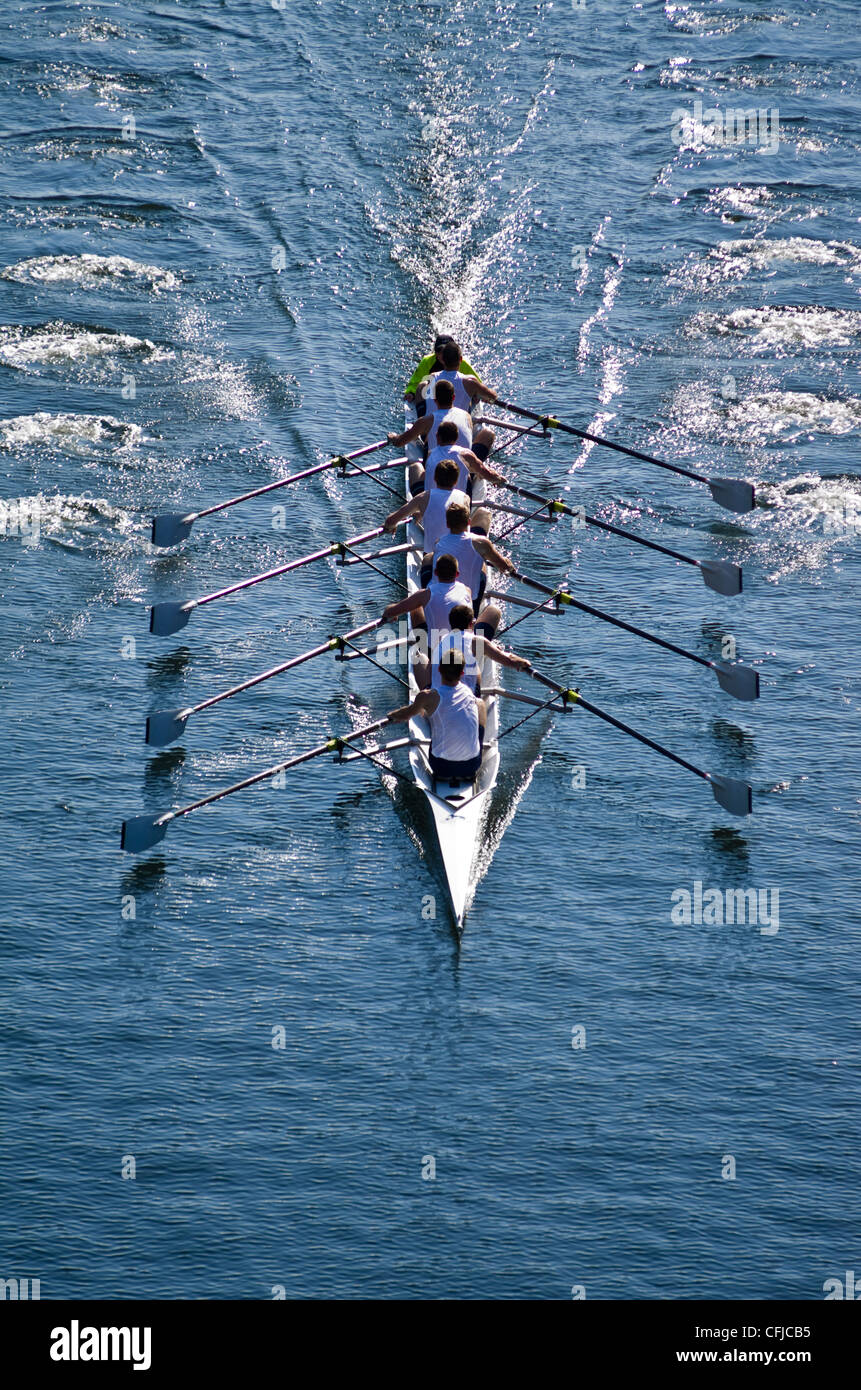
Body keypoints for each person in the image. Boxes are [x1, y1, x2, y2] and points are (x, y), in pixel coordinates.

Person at [386, 648, 486, 786]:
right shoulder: (470, 695)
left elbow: (405, 715)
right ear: (462, 674)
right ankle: (474, 748)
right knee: (481, 705)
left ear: (438, 670)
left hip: (440, 766)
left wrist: (390, 716)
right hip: (471, 766)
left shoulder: (428, 696)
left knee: (426, 712)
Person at [381, 458, 470, 565]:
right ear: (456, 481)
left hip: (432, 559)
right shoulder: (465, 498)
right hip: (462, 556)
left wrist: (391, 525)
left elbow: (391, 521)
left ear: (435, 479)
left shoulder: (423, 498)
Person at [429, 603, 531, 695]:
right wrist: (523, 662)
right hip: (466, 693)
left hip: (439, 692)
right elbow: (508, 660)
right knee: (476, 668)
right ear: (472, 624)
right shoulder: (476, 641)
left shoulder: (442, 639)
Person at [433, 500, 517, 608]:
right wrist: (507, 564)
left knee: (430, 559)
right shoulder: (481, 543)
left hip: (441, 597)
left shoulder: (438, 542)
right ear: (469, 522)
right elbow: (504, 567)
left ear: (447, 524)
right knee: (482, 563)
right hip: (471, 599)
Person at [422, 419, 505, 498]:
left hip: (436, 495)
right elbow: (485, 473)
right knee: (488, 434)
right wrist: (499, 480)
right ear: (457, 437)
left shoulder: (430, 454)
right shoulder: (466, 454)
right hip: (460, 499)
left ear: (437, 437)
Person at [403, 334, 480, 407]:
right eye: (439, 351)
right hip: (434, 399)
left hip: (457, 398)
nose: (442, 354)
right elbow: (416, 381)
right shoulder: (427, 361)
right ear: (435, 352)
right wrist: (411, 393)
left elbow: (477, 383)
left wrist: (476, 394)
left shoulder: (461, 363)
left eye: (446, 351)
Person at [427, 340, 496, 413]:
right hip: (457, 423)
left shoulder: (431, 377)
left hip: (433, 423)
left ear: (443, 360)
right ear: (461, 359)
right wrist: (481, 394)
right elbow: (493, 397)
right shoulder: (470, 381)